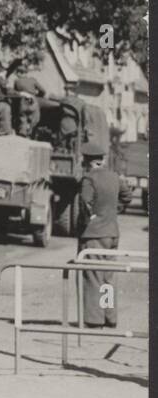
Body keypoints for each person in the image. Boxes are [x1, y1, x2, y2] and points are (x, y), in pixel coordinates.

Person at [76, 140, 133, 329]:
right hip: (112, 233)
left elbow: (85, 203)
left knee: (93, 276)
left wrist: (91, 219)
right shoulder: (114, 176)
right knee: (108, 277)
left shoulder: (89, 178)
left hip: (94, 235)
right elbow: (127, 196)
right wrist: (114, 211)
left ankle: (94, 320)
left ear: (88, 161)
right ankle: (110, 317)